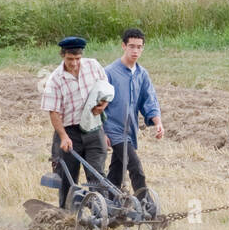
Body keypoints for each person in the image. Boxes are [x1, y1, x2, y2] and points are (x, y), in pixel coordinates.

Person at [40, 36, 110, 208]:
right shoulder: (56, 79)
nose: (74, 63)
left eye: (77, 59)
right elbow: (54, 112)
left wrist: (103, 104)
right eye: (70, 59)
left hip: (93, 129)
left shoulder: (93, 65)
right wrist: (63, 136)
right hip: (69, 131)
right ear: (63, 56)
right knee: (67, 178)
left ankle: (102, 215)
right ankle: (66, 216)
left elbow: (106, 89)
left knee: (97, 175)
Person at [103, 28, 164, 204]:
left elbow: (149, 100)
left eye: (139, 47)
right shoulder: (109, 73)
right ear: (123, 46)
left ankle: (108, 204)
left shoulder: (142, 74)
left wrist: (158, 123)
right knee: (136, 168)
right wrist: (103, 132)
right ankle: (148, 207)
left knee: (116, 170)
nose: (135, 51)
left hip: (130, 131)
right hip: (114, 130)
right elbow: (98, 106)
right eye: (131, 46)